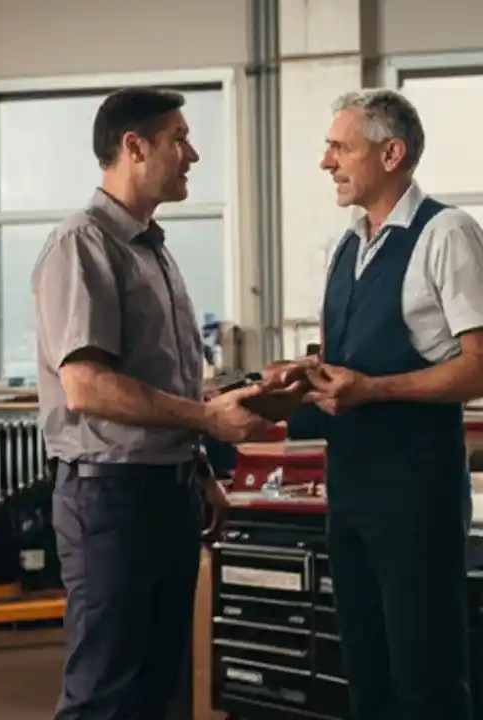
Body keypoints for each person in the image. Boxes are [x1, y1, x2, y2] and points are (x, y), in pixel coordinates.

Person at [31, 87, 276, 720]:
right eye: (179, 139)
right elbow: (86, 386)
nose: (192, 154)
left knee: (160, 686)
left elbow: (165, 386)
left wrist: (199, 468)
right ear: (134, 147)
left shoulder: (154, 252)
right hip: (109, 498)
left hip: (164, 490)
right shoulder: (82, 246)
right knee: (107, 689)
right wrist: (206, 419)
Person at [264, 88, 483, 719]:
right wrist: (292, 383)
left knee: (425, 677)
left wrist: (375, 390)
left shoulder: (447, 233)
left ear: (392, 153)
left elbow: (479, 365)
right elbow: (339, 363)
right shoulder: (346, 246)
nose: (326, 162)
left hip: (417, 493)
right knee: (365, 670)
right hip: (350, 489)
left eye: (339, 147)